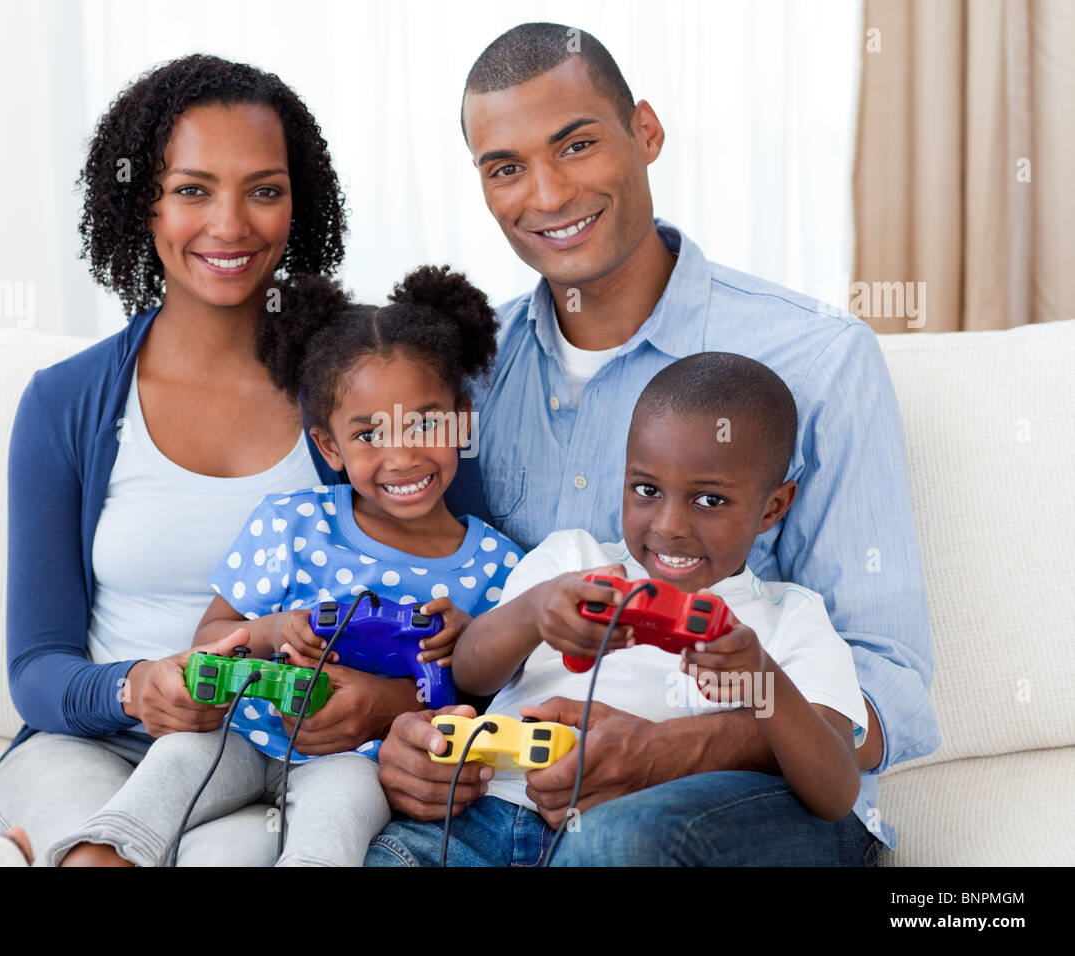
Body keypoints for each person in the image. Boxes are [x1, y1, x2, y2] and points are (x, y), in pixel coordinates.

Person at [372, 21, 940, 865]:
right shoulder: (468, 376)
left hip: (741, 808)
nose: (549, 194)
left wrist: (674, 748)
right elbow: (456, 620)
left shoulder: (817, 357)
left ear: (646, 131)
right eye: (506, 168)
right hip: (522, 795)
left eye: (576, 145)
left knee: (618, 840)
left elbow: (887, 685)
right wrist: (410, 731)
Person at [0, 54, 483, 866]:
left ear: (297, 204)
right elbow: (36, 667)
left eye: (263, 190)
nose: (230, 225)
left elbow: (460, 597)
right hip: (102, 749)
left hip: (288, 766)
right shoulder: (68, 403)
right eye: (193, 189)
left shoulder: (372, 389)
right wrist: (135, 686)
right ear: (143, 203)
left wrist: (383, 704)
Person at [37, 267, 524, 867]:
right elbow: (212, 637)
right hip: (240, 736)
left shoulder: (500, 566)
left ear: (462, 419)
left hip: (355, 762)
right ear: (328, 447)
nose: (402, 455)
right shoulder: (291, 523)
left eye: (424, 422)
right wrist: (277, 630)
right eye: (368, 433)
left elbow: (493, 695)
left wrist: (465, 643)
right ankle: (100, 855)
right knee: (176, 761)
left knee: (342, 817)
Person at [367, 353, 869, 865]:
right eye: (646, 490)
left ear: (773, 508)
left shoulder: (789, 618)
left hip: (615, 832)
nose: (669, 524)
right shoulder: (571, 558)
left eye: (710, 501)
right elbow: (472, 670)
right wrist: (534, 613)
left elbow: (834, 792)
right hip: (479, 813)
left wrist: (763, 681)